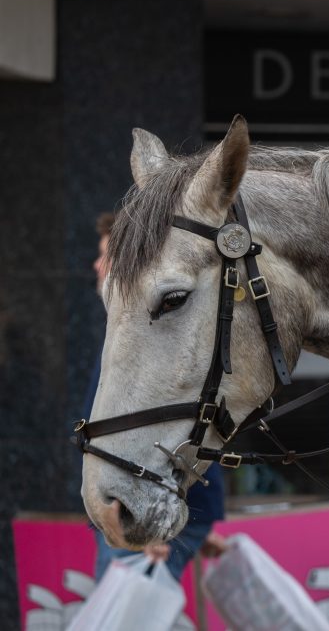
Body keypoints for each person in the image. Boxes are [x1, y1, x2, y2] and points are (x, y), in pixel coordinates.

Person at [86, 212, 226, 581]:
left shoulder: (144, 342)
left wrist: (162, 522)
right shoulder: (124, 332)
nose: (97, 264)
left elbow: (175, 430)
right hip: (140, 505)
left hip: (144, 508)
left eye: (106, 255)